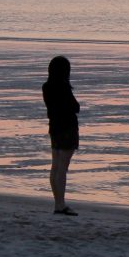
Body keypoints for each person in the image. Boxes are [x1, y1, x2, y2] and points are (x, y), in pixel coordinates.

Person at [42, 56, 81, 216]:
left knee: (55, 167)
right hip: (68, 128)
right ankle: (60, 204)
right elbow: (75, 107)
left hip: (55, 128)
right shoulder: (64, 87)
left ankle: (58, 202)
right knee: (62, 169)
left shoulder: (46, 87)